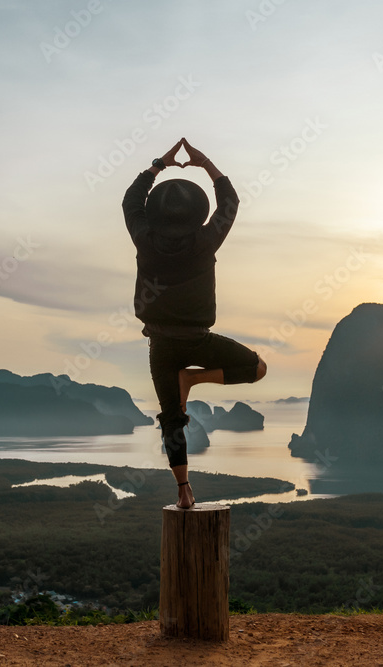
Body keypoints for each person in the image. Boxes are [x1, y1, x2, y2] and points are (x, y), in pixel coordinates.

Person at [122, 138, 267, 510]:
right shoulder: (205, 240)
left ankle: (183, 490)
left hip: (161, 345)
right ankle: (194, 379)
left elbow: (131, 202)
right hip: (199, 341)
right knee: (257, 368)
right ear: (194, 214)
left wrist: (158, 165)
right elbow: (230, 203)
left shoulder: (145, 239)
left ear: (157, 214)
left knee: (171, 418)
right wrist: (205, 164)